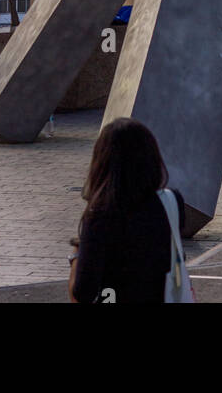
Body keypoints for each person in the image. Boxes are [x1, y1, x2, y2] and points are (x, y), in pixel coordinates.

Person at [69, 117, 189, 304]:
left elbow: (83, 292)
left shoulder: (100, 215)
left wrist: (76, 256)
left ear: (102, 163)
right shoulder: (172, 201)